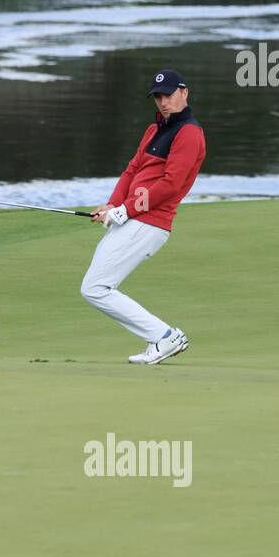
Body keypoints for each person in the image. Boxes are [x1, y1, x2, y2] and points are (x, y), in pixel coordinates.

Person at [82, 69, 206, 365]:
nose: (164, 102)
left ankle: (165, 337)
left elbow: (170, 184)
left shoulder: (189, 133)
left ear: (184, 93)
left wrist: (126, 210)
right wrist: (112, 205)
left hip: (150, 222)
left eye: (169, 94)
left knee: (95, 287)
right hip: (133, 218)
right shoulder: (154, 130)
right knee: (94, 287)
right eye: (159, 97)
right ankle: (161, 338)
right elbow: (132, 170)